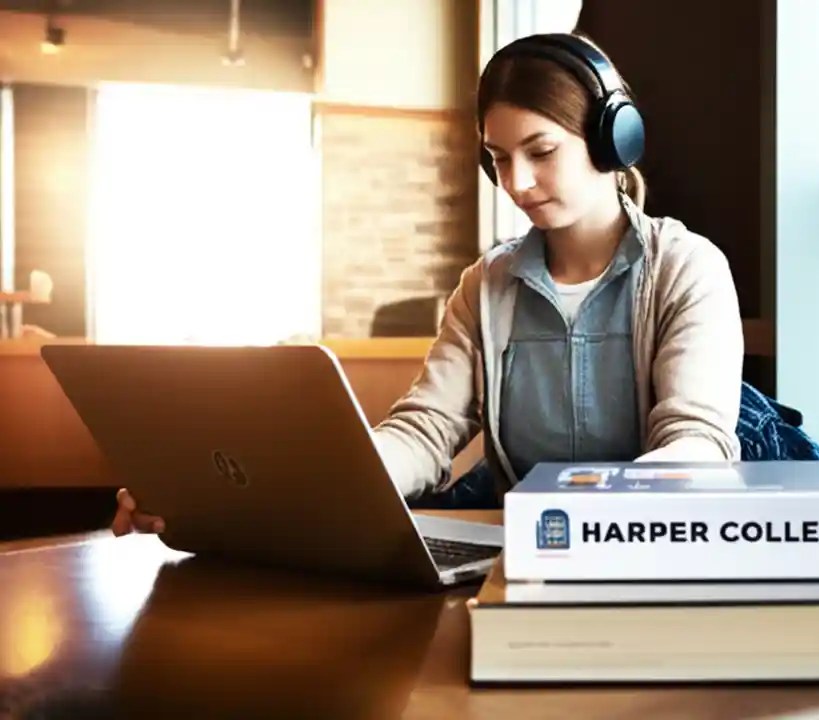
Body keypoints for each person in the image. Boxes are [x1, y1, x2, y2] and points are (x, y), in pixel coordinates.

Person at [110, 32, 743, 534]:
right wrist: (286, 487)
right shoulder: (486, 285)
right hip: (530, 555)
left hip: (648, 552)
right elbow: (423, 432)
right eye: (498, 158)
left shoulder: (687, 268)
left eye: (541, 151)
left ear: (613, 138)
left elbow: (695, 442)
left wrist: (591, 512)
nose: (516, 183)